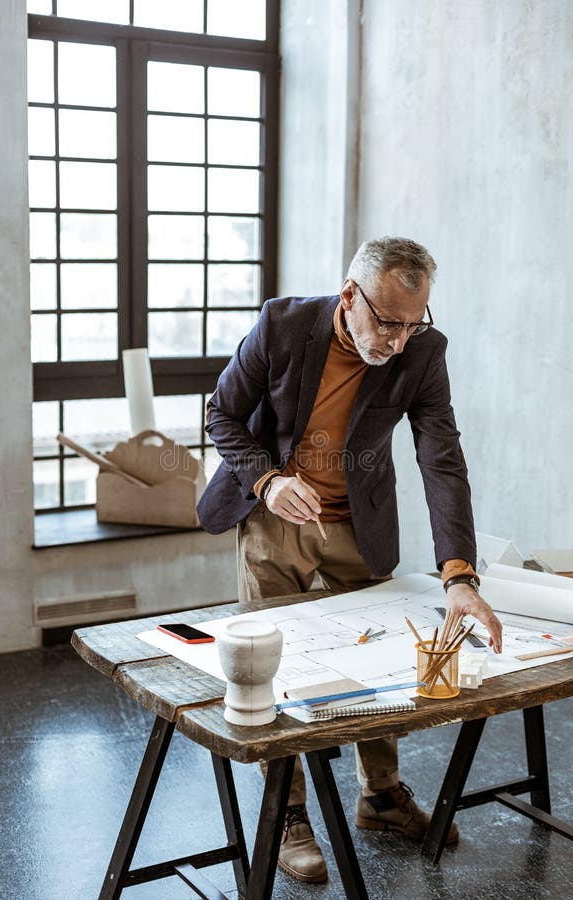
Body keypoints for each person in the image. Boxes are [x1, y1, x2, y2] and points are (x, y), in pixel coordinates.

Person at [197, 237, 503, 884]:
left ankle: (381, 795)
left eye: (411, 323)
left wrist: (459, 575)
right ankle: (287, 812)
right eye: (386, 321)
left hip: (357, 523)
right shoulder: (283, 326)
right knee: (273, 664)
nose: (396, 339)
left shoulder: (422, 351)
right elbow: (222, 412)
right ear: (348, 297)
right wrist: (269, 482)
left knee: (374, 654)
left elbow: (439, 457)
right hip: (274, 514)